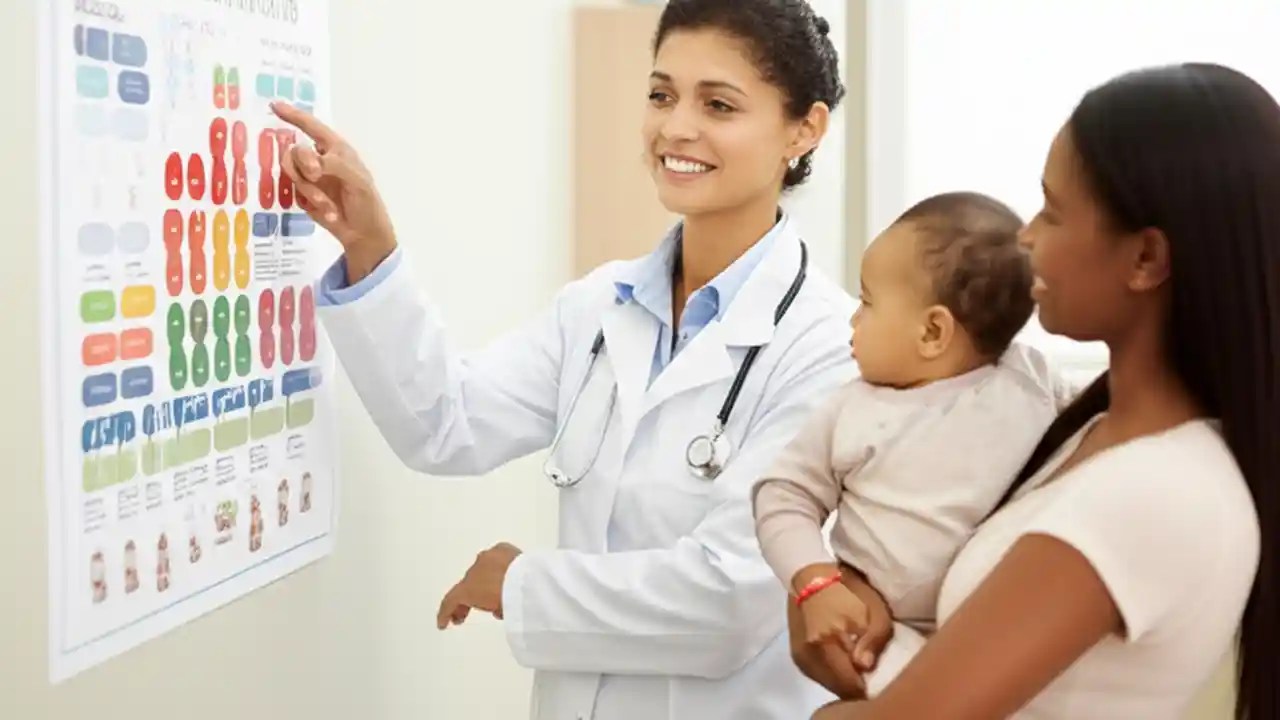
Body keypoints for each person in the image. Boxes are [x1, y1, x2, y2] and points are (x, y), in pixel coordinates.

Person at [273, 1, 854, 718]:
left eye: (719, 104)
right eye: (661, 94)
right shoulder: (597, 308)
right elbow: (444, 422)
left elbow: (730, 602)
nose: (676, 127)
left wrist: (520, 585)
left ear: (805, 128)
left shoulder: (831, 348)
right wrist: (369, 246)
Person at [795, 62, 1274, 720]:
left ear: (1145, 259)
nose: (1025, 237)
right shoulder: (1091, 429)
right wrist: (848, 593)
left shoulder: (1156, 492)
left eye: (1052, 210)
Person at [752, 192, 1070, 696]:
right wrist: (815, 582)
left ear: (932, 330)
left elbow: (1094, 433)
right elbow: (783, 495)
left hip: (995, 633)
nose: (853, 320)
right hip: (885, 634)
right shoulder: (853, 410)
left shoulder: (1030, 378)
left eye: (868, 301)